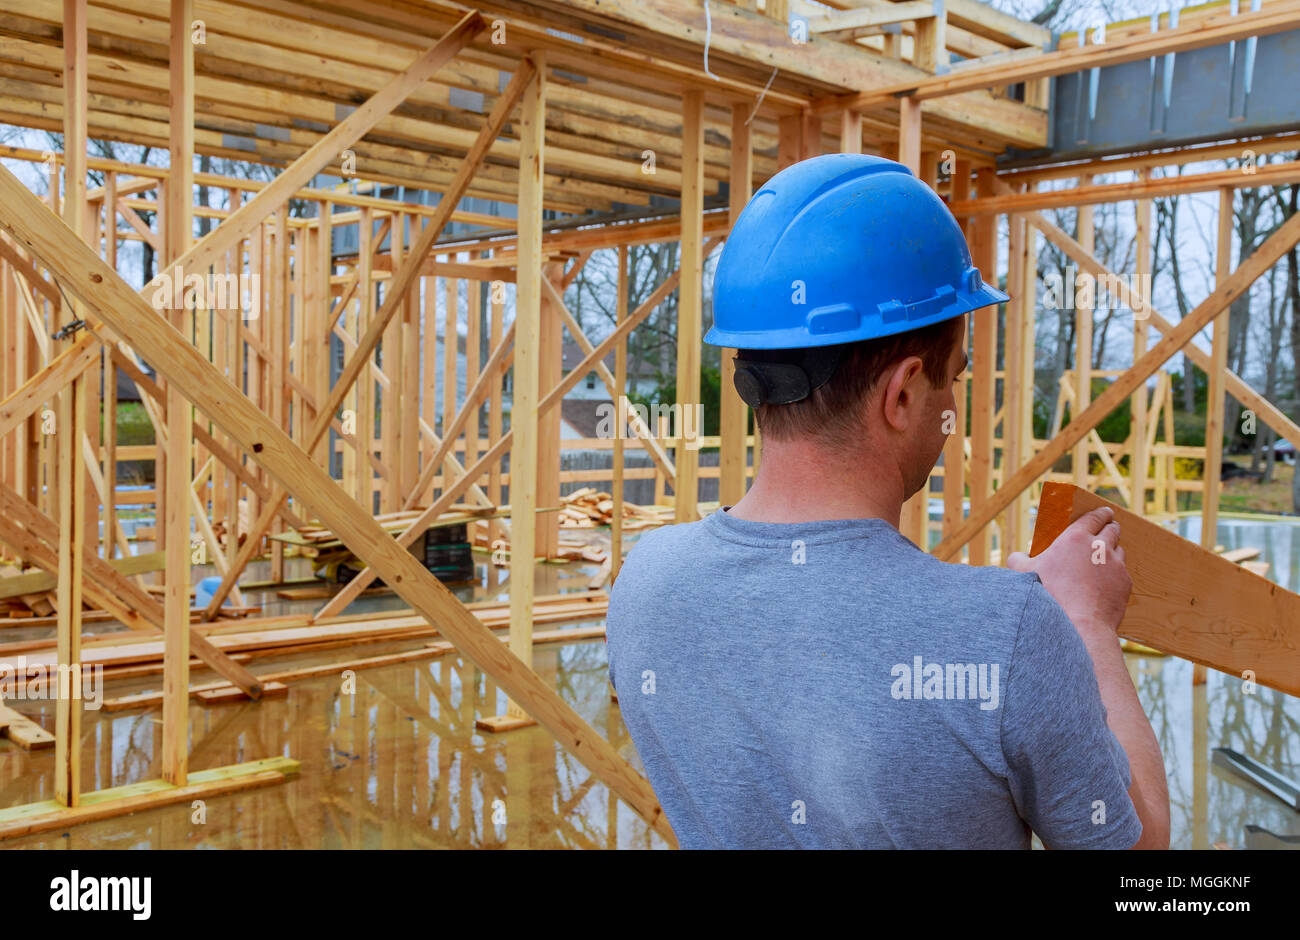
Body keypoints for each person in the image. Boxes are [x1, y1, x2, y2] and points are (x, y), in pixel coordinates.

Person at [606, 154, 1169, 849]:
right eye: (951, 381)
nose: (953, 407)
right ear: (902, 395)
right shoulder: (1010, 632)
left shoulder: (646, 578)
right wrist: (1086, 622)